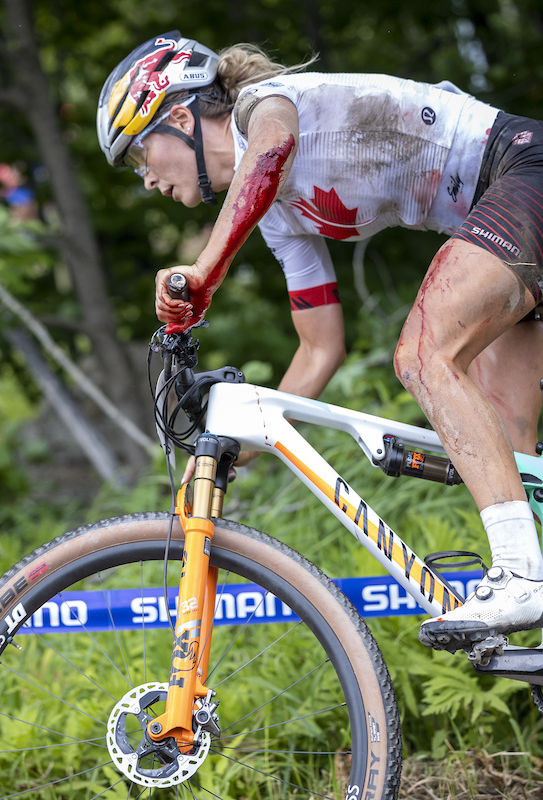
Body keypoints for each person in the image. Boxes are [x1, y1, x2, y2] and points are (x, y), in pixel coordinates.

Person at [97, 32, 543, 652]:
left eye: (140, 156)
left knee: (423, 355)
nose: (146, 179)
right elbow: (320, 347)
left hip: (522, 168)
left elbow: (273, 150)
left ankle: (523, 575)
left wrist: (204, 269)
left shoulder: (264, 104)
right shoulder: (279, 216)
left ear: (180, 117)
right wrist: (239, 449)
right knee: (513, 458)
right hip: (500, 211)